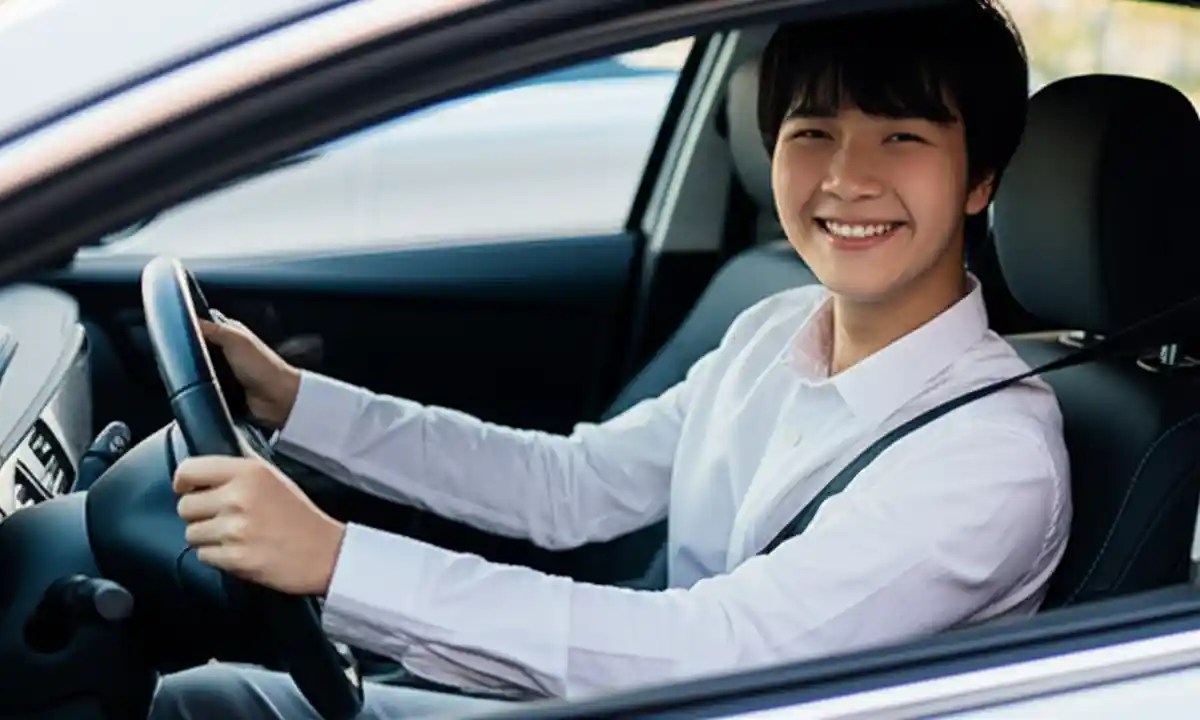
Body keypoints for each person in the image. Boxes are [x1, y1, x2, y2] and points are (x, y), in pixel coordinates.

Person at [151, 1, 1071, 717]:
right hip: (658, 692)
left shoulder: (990, 456)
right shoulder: (776, 328)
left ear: (980, 177)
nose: (845, 177)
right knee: (205, 697)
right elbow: (571, 485)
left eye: (902, 137)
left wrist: (338, 561)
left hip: (699, 692)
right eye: (813, 132)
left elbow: (713, 653)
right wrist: (296, 402)